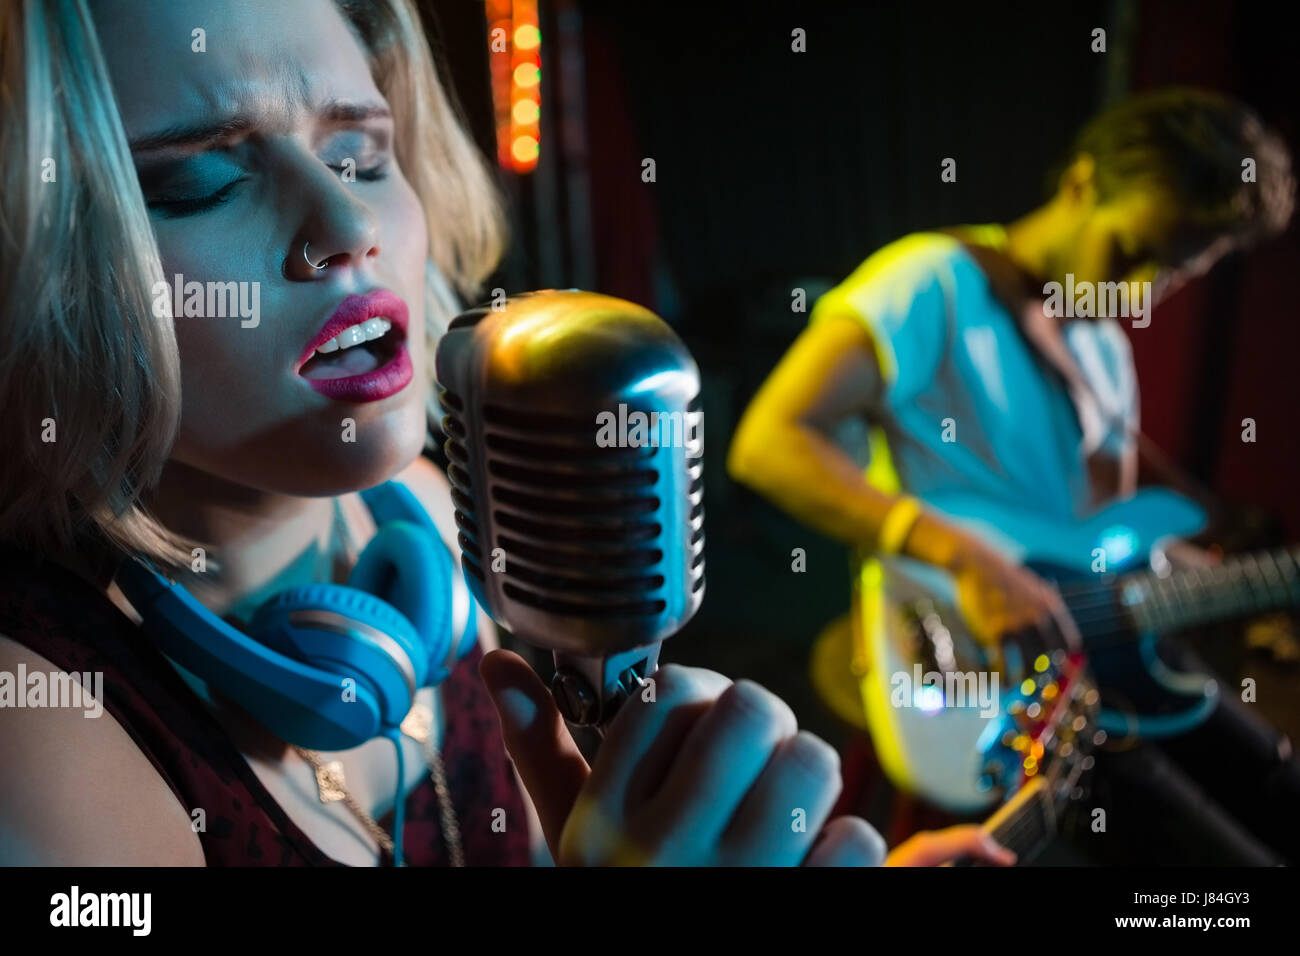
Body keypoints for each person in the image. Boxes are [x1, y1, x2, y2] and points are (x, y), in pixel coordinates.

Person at [0, 0, 1009, 868]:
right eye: (203, 181)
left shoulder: (429, 525)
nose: (345, 222)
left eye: (358, 153)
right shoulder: (37, 743)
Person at [728, 87, 1299, 864]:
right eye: (1130, 251)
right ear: (1081, 183)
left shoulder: (1102, 351)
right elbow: (767, 442)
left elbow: (1092, 537)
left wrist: (1205, 580)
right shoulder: (932, 280)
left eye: (1168, 275)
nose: (1133, 294)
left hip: (1101, 658)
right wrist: (972, 562)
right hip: (982, 669)